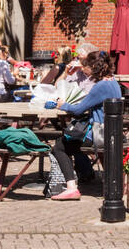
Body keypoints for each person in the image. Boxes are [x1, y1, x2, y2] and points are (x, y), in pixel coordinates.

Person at [46, 51, 122, 201]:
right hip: (113, 130)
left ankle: (71, 188)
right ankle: (90, 174)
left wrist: (61, 105)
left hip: (100, 132)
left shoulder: (100, 86)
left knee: (60, 145)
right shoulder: (112, 81)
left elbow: (78, 109)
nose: (83, 69)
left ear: (93, 67)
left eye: (85, 66)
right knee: (73, 141)